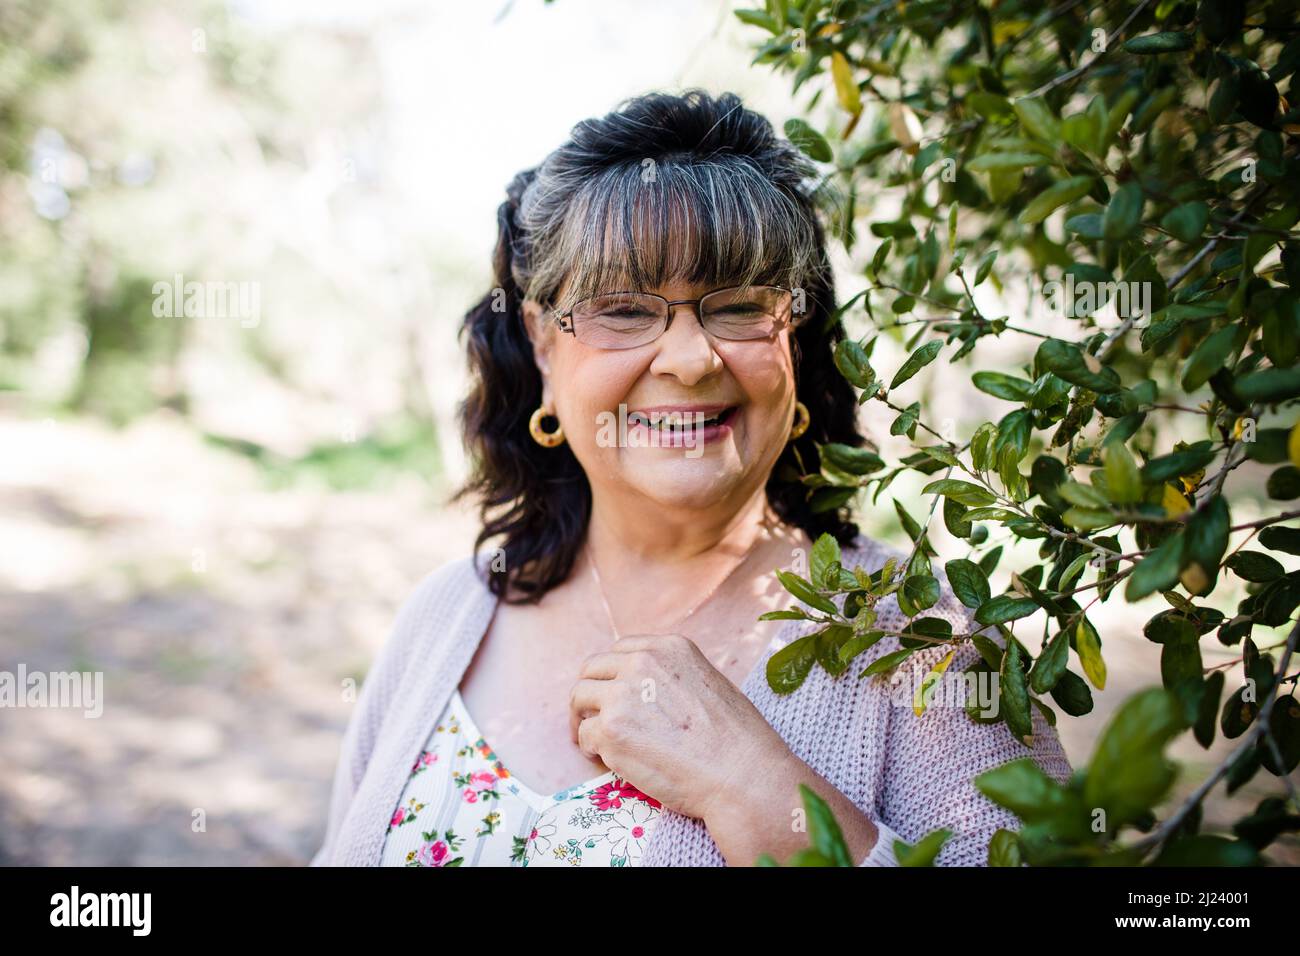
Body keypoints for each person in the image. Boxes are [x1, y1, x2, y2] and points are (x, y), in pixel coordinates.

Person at [311, 89, 1072, 868]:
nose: (687, 359)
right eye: (623, 310)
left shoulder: (925, 649)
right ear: (543, 345)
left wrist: (757, 788)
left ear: (797, 346)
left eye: (739, 306)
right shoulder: (446, 617)